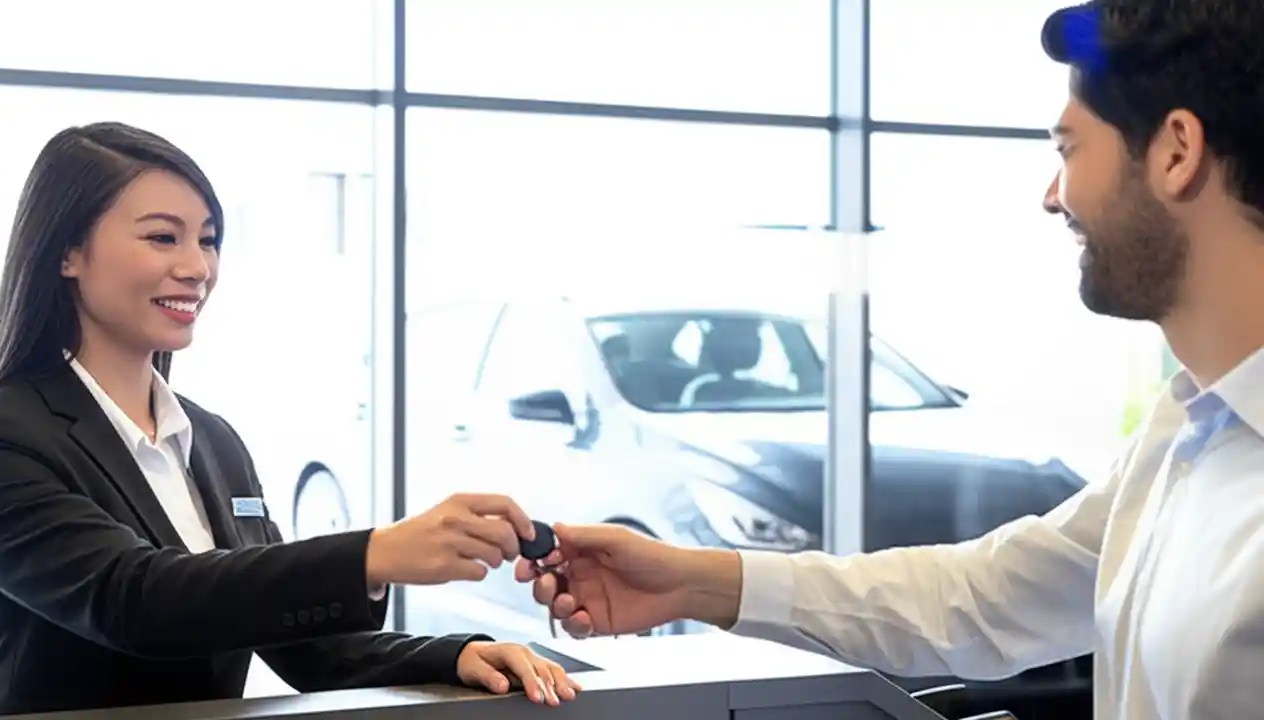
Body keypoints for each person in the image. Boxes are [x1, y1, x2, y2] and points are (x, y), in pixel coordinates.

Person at [519, 2, 1264, 719]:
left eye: (1068, 150)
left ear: (1176, 152)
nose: (1052, 196)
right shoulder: (1191, 431)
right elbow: (985, 595)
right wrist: (694, 582)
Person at [0, 121, 581, 716]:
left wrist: (450, 658)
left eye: (209, 240)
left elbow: (303, 648)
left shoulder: (212, 442)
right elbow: (134, 600)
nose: (198, 267)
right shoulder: (3, 437)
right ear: (68, 252)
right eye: (164, 238)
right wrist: (371, 554)